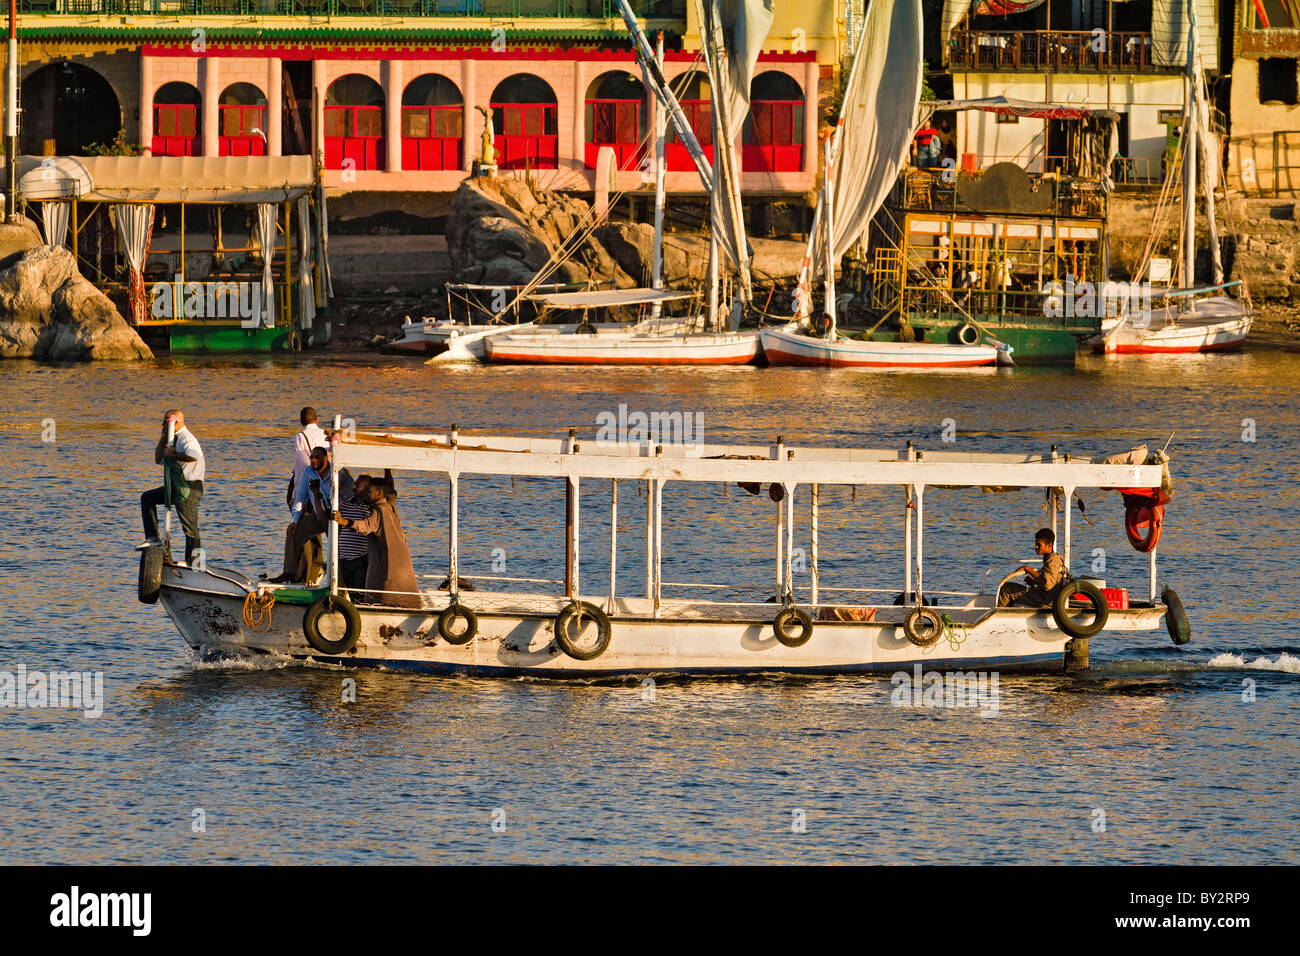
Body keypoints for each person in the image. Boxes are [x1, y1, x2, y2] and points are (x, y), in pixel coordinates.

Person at [333, 479, 420, 609]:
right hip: (398, 557)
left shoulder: (378, 511)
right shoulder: (390, 506)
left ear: (379, 493)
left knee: (383, 588)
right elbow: (391, 489)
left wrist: (343, 521)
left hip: (386, 558)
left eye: (369, 491)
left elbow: (365, 526)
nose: (366, 494)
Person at [138, 409, 206, 565]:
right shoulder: (171, 438)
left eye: (166, 422)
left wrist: (174, 453)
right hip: (175, 486)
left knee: (190, 529)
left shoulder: (186, 438)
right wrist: (163, 437)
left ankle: (195, 565)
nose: (163, 424)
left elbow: (193, 456)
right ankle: (154, 539)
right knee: (147, 498)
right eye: (163, 422)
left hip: (189, 487)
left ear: (177, 422)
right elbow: (158, 459)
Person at [269, 445, 332, 584]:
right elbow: (300, 497)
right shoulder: (308, 471)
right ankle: (289, 573)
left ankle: (338, 581)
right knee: (293, 532)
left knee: (338, 546)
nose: (313, 460)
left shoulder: (336, 472)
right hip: (318, 515)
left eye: (317, 457)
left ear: (326, 459)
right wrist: (295, 520)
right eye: (311, 457)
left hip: (334, 516)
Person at [999, 528, 1068, 607]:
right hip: (1044, 595)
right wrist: (1034, 581)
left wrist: (1027, 569)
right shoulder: (1049, 558)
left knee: (1007, 588)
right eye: (1035, 544)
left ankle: (997, 616)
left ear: (1049, 545)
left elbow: (1048, 585)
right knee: (1012, 588)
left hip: (1047, 600)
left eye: (1039, 545)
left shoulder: (1053, 560)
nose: (1035, 547)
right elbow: (1048, 579)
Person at [335, 469, 373, 594]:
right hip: (343, 557)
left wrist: (343, 521)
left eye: (358, 485)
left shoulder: (370, 509)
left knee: (360, 590)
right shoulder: (345, 504)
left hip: (360, 557)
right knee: (349, 590)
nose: (354, 487)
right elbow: (338, 526)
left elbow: (365, 527)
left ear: (367, 489)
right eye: (355, 484)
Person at [288, 407, 328, 514]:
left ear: (301, 422)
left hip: (311, 479)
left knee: (299, 512)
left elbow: (302, 466)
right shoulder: (326, 434)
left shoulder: (301, 436)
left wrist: (295, 497)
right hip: (327, 478)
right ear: (317, 420)